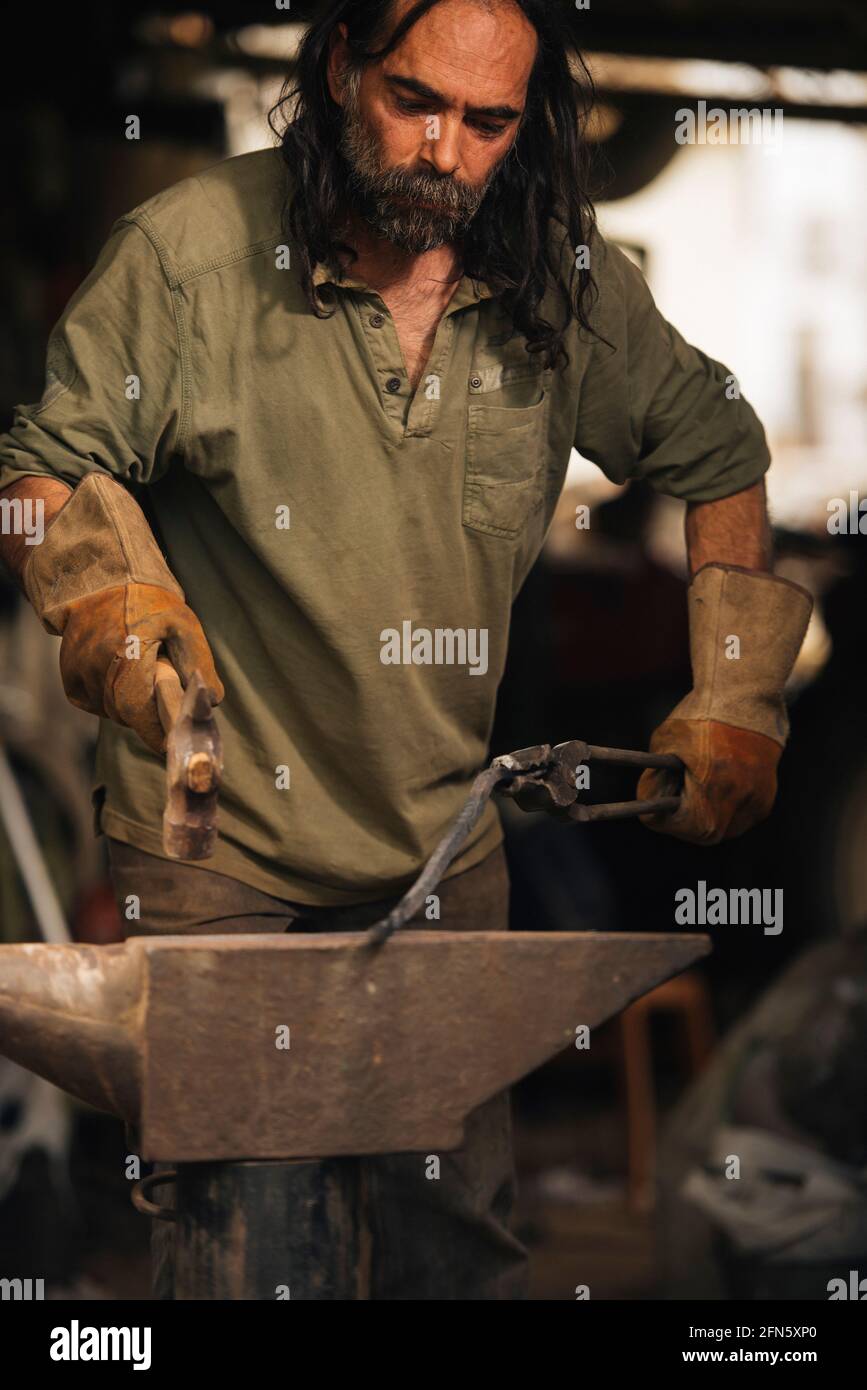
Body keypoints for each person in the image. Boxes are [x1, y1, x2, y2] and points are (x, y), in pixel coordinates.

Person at [0, 0, 811, 1299]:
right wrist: (115, 608)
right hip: (222, 854)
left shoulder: (566, 286)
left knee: (452, 1248)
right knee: (259, 1257)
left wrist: (737, 688)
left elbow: (718, 449)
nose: (446, 150)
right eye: (415, 102)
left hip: (444, 847)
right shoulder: (190, 257)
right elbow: (40, 468)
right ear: (339, 69)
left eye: (489, 120)